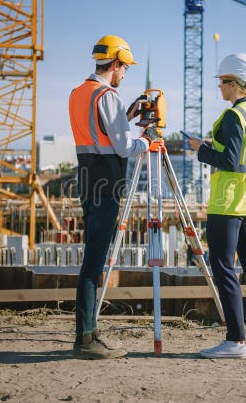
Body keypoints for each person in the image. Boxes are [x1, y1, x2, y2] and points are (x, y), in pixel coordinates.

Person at [188, 53, 246, 359]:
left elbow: (229, 160)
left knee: (224, 270)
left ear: (234, 83)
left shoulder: (234, 116)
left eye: (222, 82)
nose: (219, 87)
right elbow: (240, 156)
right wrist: (211, 146)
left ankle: (235, 341)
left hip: (228, 204)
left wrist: (200, 149)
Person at [69, 34, 152, 359]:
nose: (125, 74)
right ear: (115, 63)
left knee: (92, 258)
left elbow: (97, 131)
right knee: (94, 263)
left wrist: (125, 116)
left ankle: (89, 332)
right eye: (125, 68)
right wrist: (147, 141)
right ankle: (85, 338)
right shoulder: (108, 95)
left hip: (88, 181)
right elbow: (123, 146)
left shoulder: (79, 93)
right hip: (106, 184)